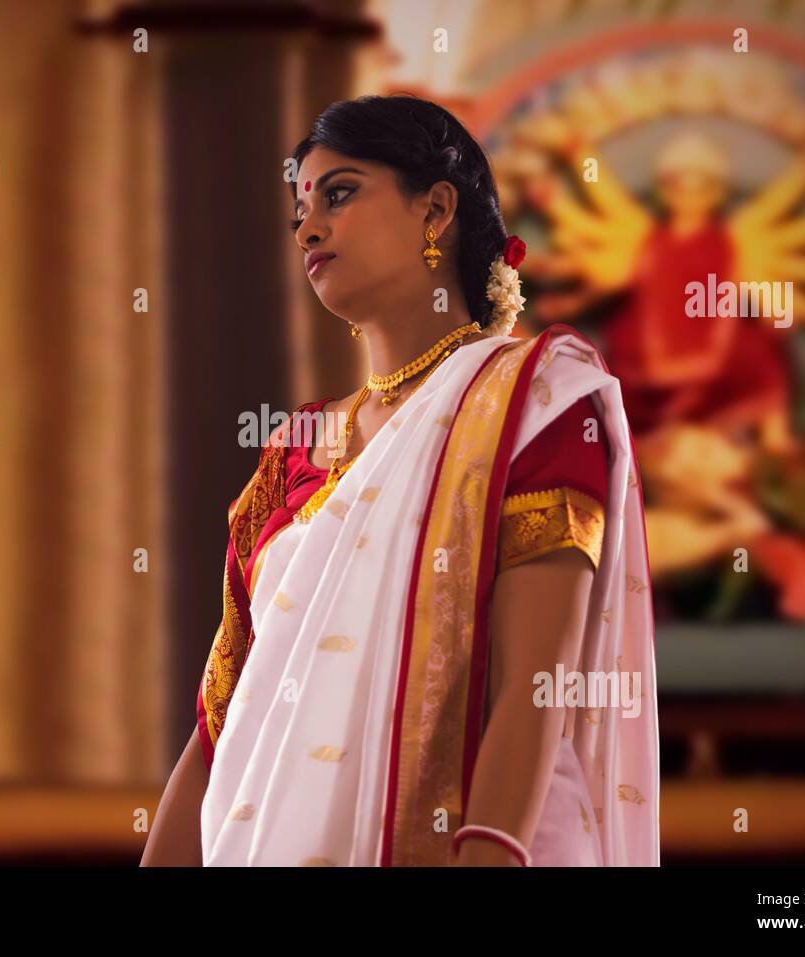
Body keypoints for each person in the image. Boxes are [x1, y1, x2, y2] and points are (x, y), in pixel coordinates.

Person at [141, 94, 658, 867]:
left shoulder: (534, 401)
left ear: (436, 208)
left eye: (340, 193)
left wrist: (489, 853)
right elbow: (224, 724)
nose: (309, 227)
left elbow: (536, 680)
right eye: (298, 212)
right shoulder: (293, 451)